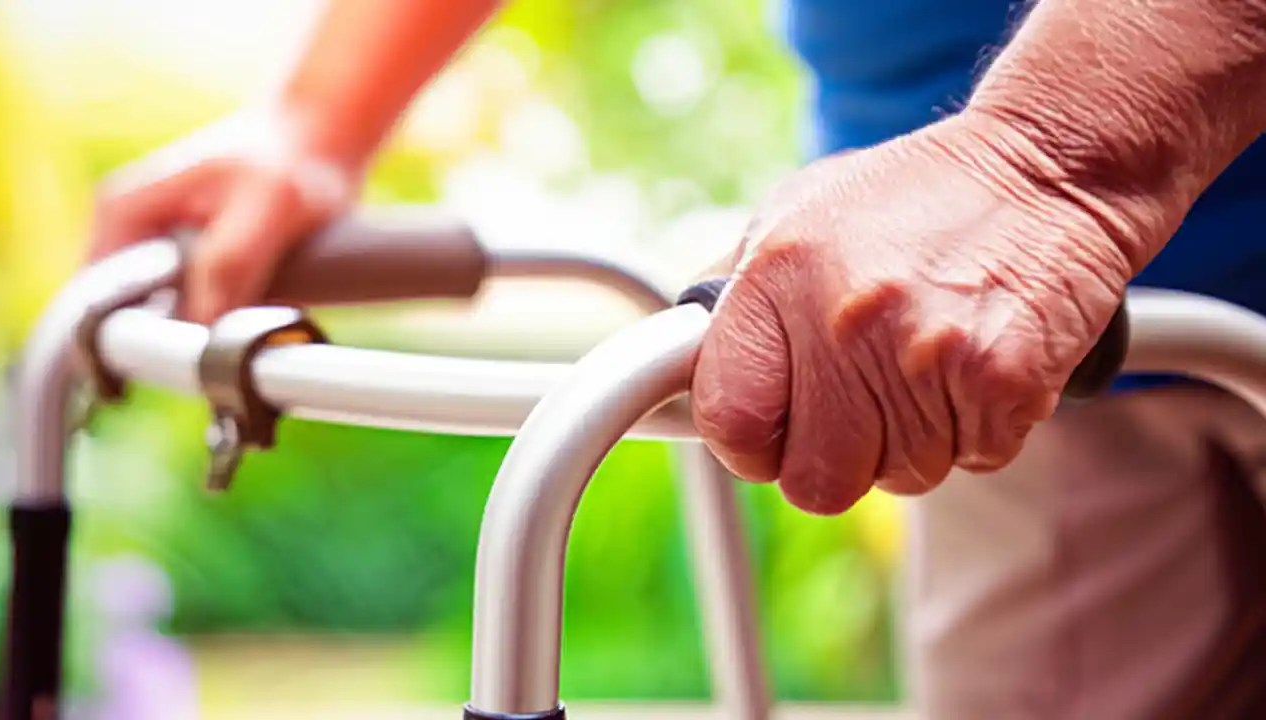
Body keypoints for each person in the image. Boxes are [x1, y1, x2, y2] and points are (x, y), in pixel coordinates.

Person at [91, 1, 1266, 717]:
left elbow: (1052, 164)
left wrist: (1048, 159)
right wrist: (317, 118)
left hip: (1034, 224)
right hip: (982, 340)